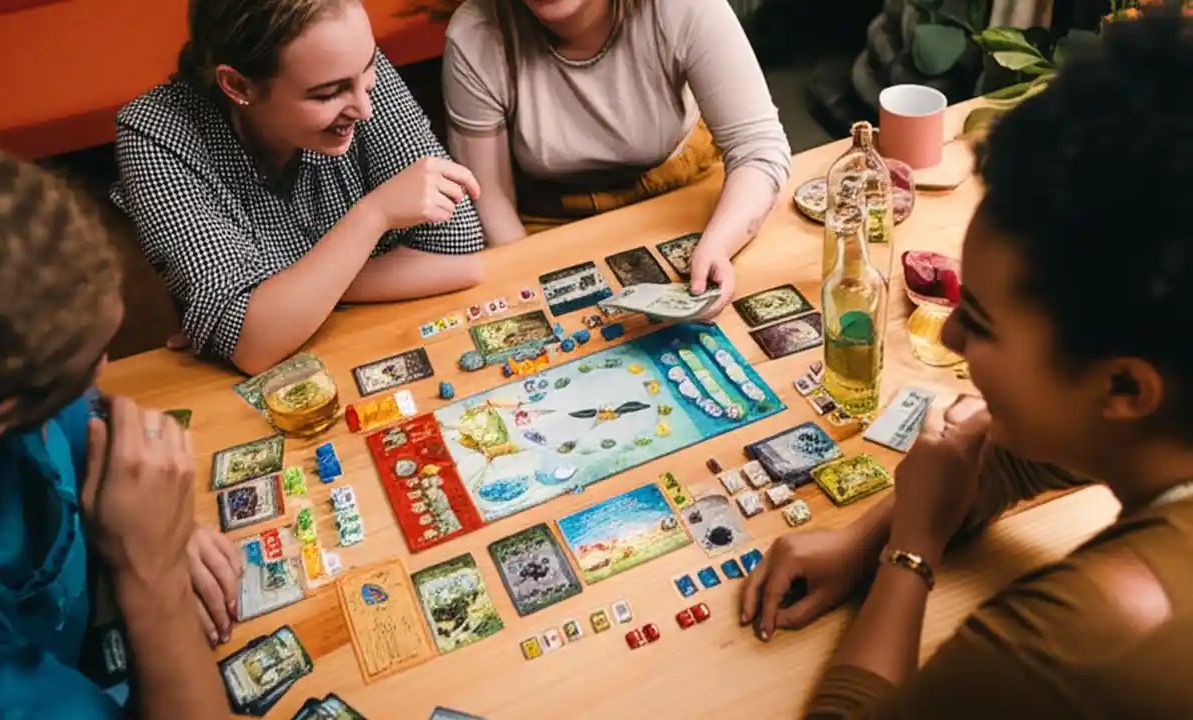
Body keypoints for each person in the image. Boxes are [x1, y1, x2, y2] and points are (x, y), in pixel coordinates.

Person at [739, 15, 1193, 717]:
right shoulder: (1166, 397)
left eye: (978, 320)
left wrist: (909, 553)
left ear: (1127, 386)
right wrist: (863, 540)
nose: (948, 334)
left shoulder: (1083, 637)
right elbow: (1018, 460)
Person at [0, 142, 234, 718]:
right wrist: (152, 576)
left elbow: (84, 422)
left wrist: (170, 529)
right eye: (93, 358)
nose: (104, 378)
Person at [113, 0, 486, 374]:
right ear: (238, 85)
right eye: (327, 94)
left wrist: (283, 297)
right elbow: (255, 345)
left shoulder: (347, 60)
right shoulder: (156, 133)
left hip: (378, 342)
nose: (363, 107)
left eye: (370, 69)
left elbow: (463, 258)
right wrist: (375, 215)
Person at [443, 0, 792, 314]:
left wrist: (718, 244)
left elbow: (757, 147)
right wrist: (531, 292)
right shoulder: (476, 33)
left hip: (683, 186)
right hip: (554, 216)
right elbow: (490, 199)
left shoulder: (682, 6)